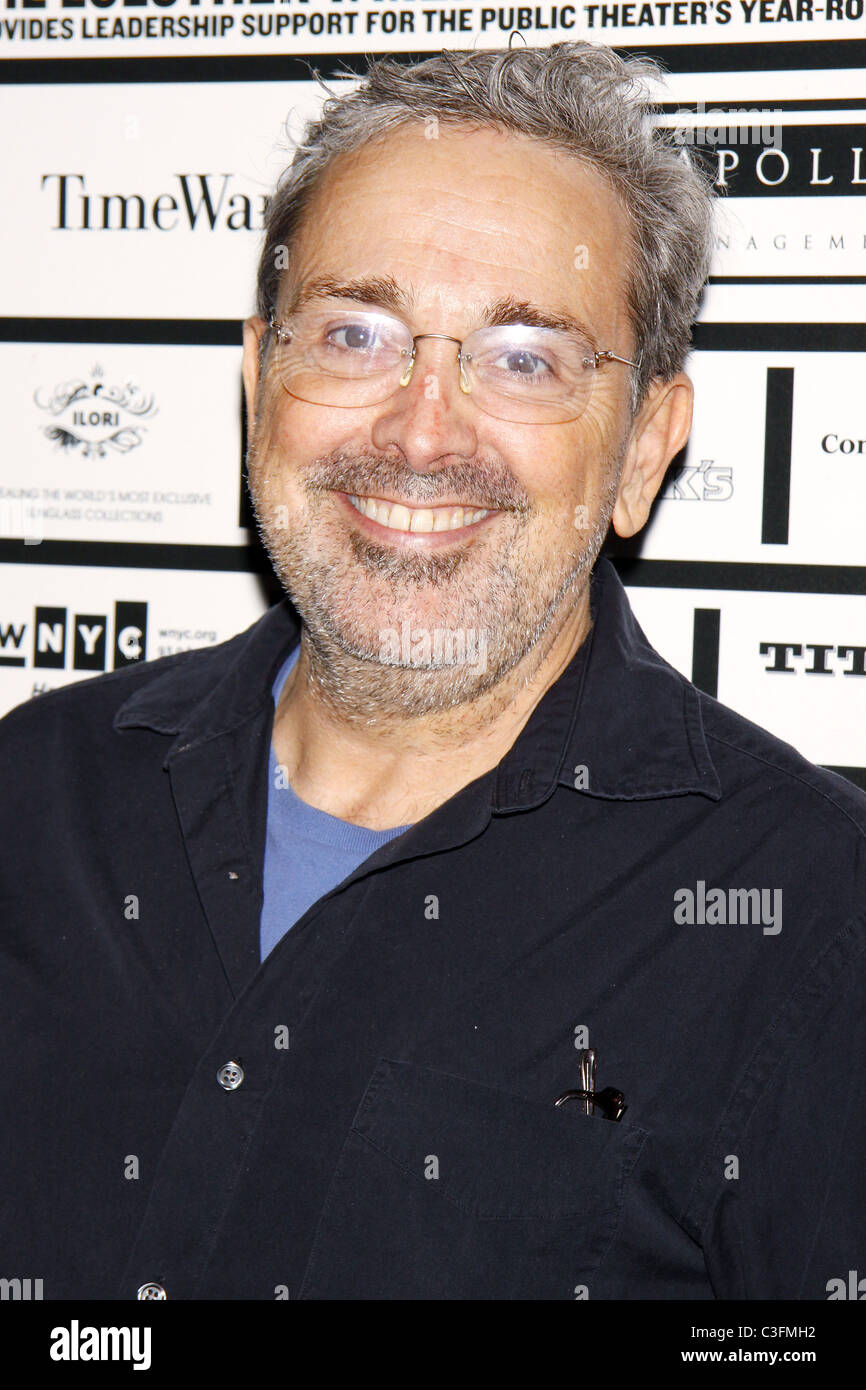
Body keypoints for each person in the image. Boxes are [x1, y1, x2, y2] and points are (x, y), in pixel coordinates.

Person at [1, 42, 864, 1303]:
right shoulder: (38, 792)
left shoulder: (812, 911)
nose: (418, 429)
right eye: (355, 333)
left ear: (642, 452)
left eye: (524, 356)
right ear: (260, 386)